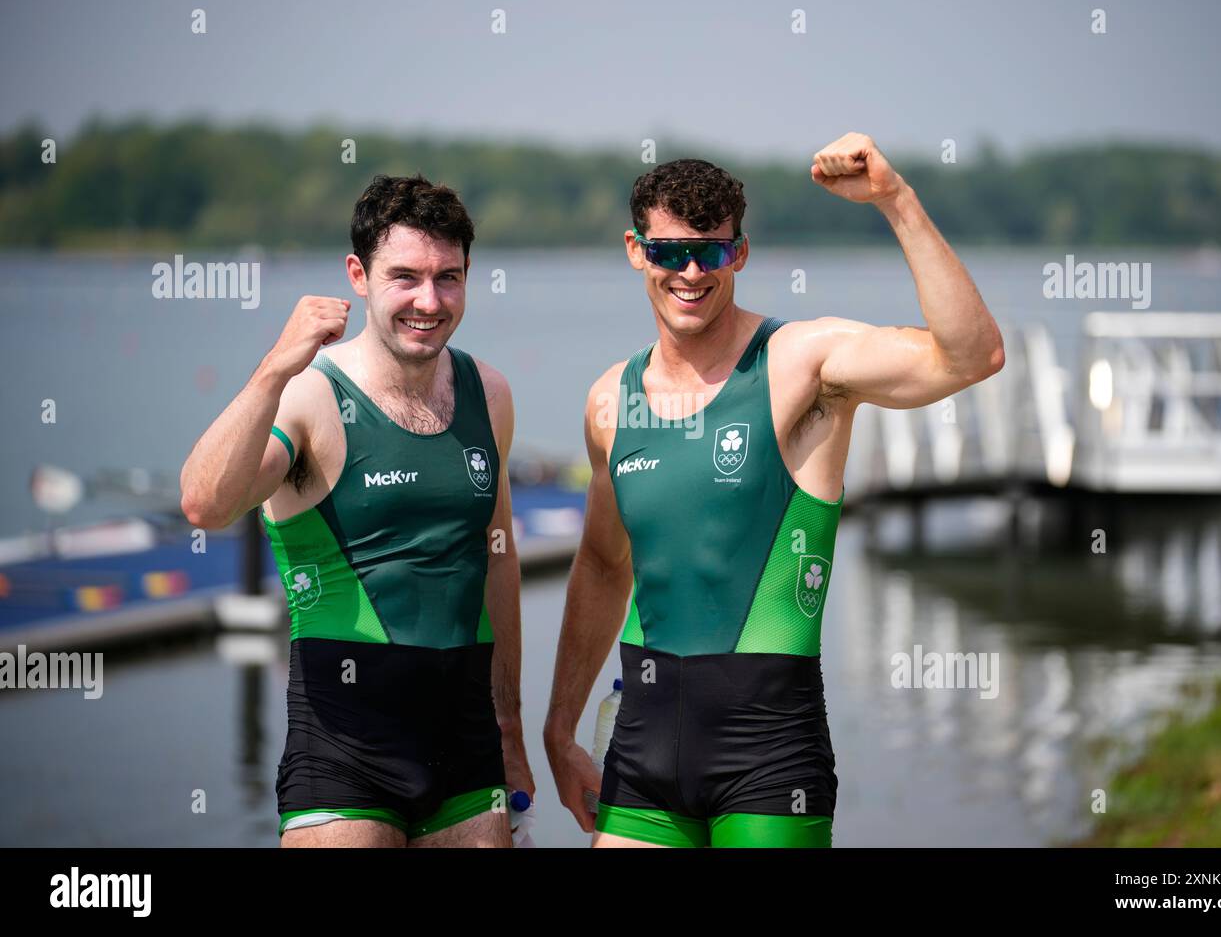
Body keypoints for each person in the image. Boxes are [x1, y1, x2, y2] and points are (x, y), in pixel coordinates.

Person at [544, 133, 1004, 847]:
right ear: (637, 252)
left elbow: (973, 356)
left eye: (713, 252)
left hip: (767, 755)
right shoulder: (610, 401)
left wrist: (895, 199)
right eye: (669, 253)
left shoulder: (802, 363)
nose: (691, 271)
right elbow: (604, 566)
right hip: (642, 748)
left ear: (742, 253)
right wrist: (559, 729)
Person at [180, 175, 533, 847]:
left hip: (467, 748)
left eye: (448, 278)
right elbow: (204, 503)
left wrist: (510, 724)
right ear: (358, 275)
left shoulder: (489, 392)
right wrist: (273, 369)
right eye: (404, 277)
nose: (429, 301)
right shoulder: (310, 397)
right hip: (344, 750)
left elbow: (499, 559)